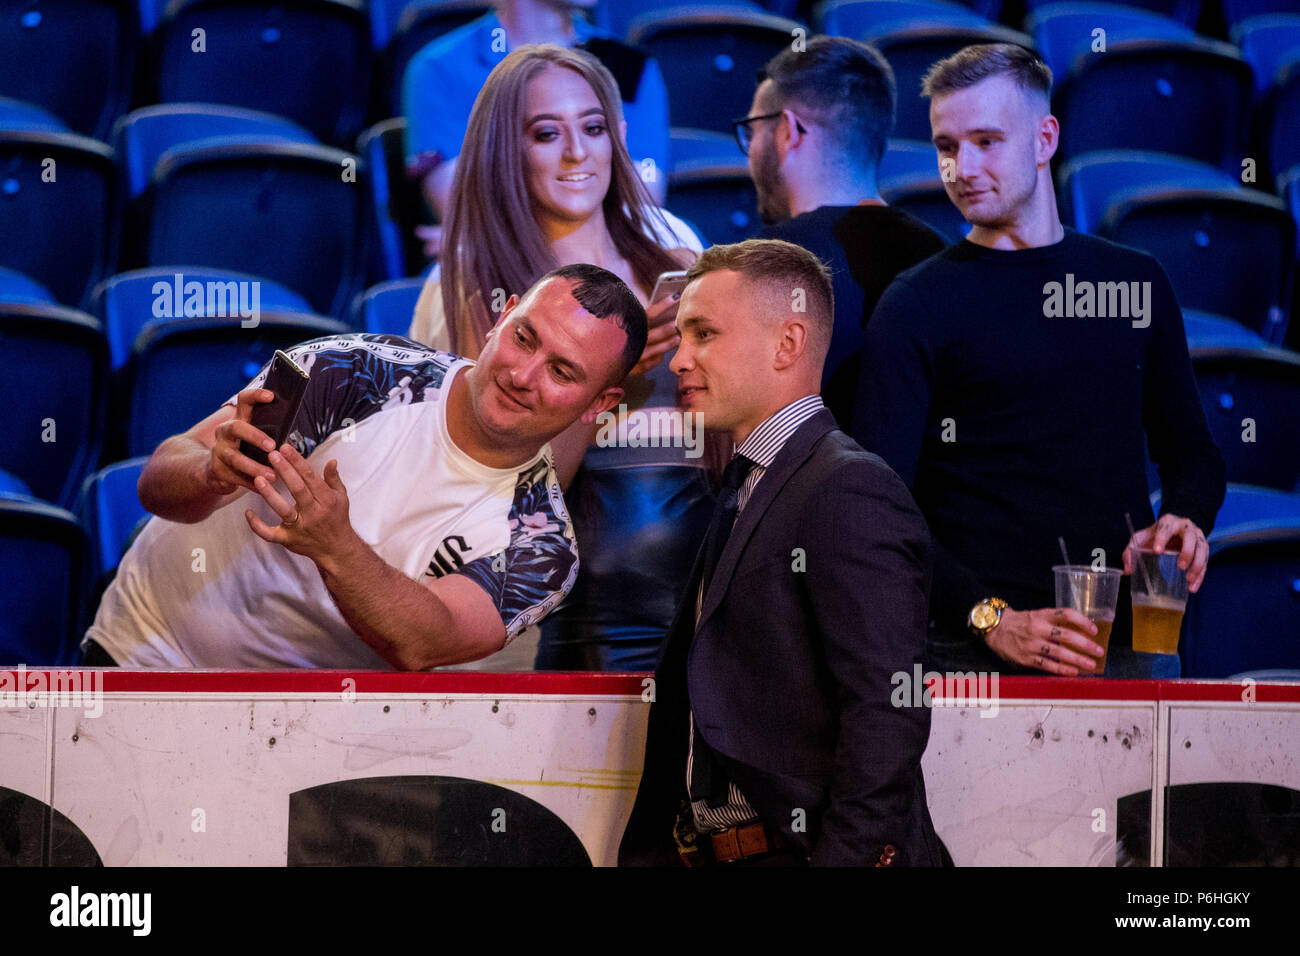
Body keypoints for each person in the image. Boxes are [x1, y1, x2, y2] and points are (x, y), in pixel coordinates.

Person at [853, 44, 1226, 680]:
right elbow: (876, 506)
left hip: (1127, 645)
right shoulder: (916, 302)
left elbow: (1193, 453)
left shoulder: (1134, 282)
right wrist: (990, 618)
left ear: (1044, 137)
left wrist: (1184, 517)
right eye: (947, 146)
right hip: (974, 657)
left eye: (986, 141)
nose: (961, 167)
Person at [80, 266, 646, 669]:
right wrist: (210, 471)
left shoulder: (542, 547)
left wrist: (334, 545)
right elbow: (158, 484)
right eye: (524, 338)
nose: (523, 375)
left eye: (562, 372)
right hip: (143, 650)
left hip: (298, 737)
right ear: (502, 318)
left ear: (599, 405)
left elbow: (422, 644)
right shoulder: (352, 371)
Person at [619, 239, 949, 867]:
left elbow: (888, 711)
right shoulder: (750, 482)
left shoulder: (849, 487)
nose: (680, 359)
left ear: (788, 343)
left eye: (704, 333)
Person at [407, 43, 716, 671]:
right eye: (548, 133)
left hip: (700, 604)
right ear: (505, 150)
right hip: (562, 626)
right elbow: (508, 488)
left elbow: (728, 445)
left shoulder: (680, 258)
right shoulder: (480, 297)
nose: (578, 153)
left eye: (594, 127)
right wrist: (616, 379)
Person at [741, 36, 947, 432]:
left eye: (752, 132)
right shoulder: (942, 256)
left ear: (788, 131)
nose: (749, 150)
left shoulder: (760, 268)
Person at [402, 0, 673, 257]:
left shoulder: (626, 64)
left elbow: (643, 202)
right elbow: (464, 213)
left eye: (593, 128)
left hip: (609, 261)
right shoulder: (440, 68)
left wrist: (498, 234)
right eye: (546, 134)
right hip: (497, 276)